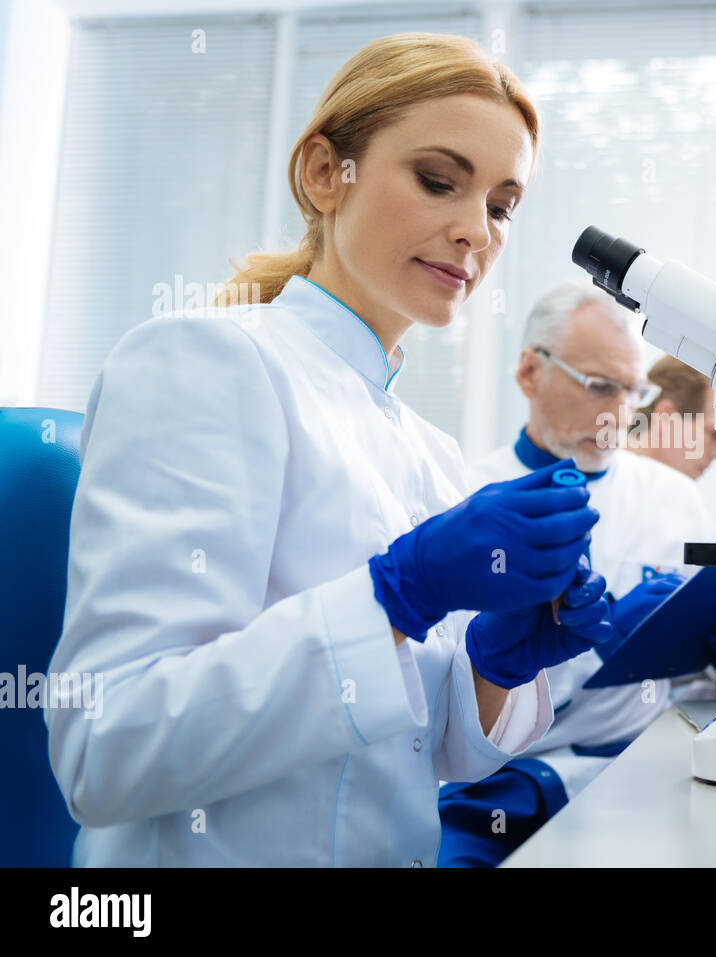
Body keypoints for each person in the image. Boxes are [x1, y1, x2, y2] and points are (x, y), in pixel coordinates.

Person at [44, 33, 611, 867]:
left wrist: (494, 662)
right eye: (437, 180)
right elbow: (108, 746)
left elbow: (421, 751)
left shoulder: (424, 444)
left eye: (499, 205)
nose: (473, 232)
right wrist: (394, 596)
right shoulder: (203, 360)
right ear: (323, 173)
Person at [436, 281, 716, 866]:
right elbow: (455, 699)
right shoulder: (466, 498)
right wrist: (603, 645)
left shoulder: (672, 495)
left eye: (631, 391)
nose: (619, 413)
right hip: (500, 783)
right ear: (528, 373)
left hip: (635, 768)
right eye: (598, 386)